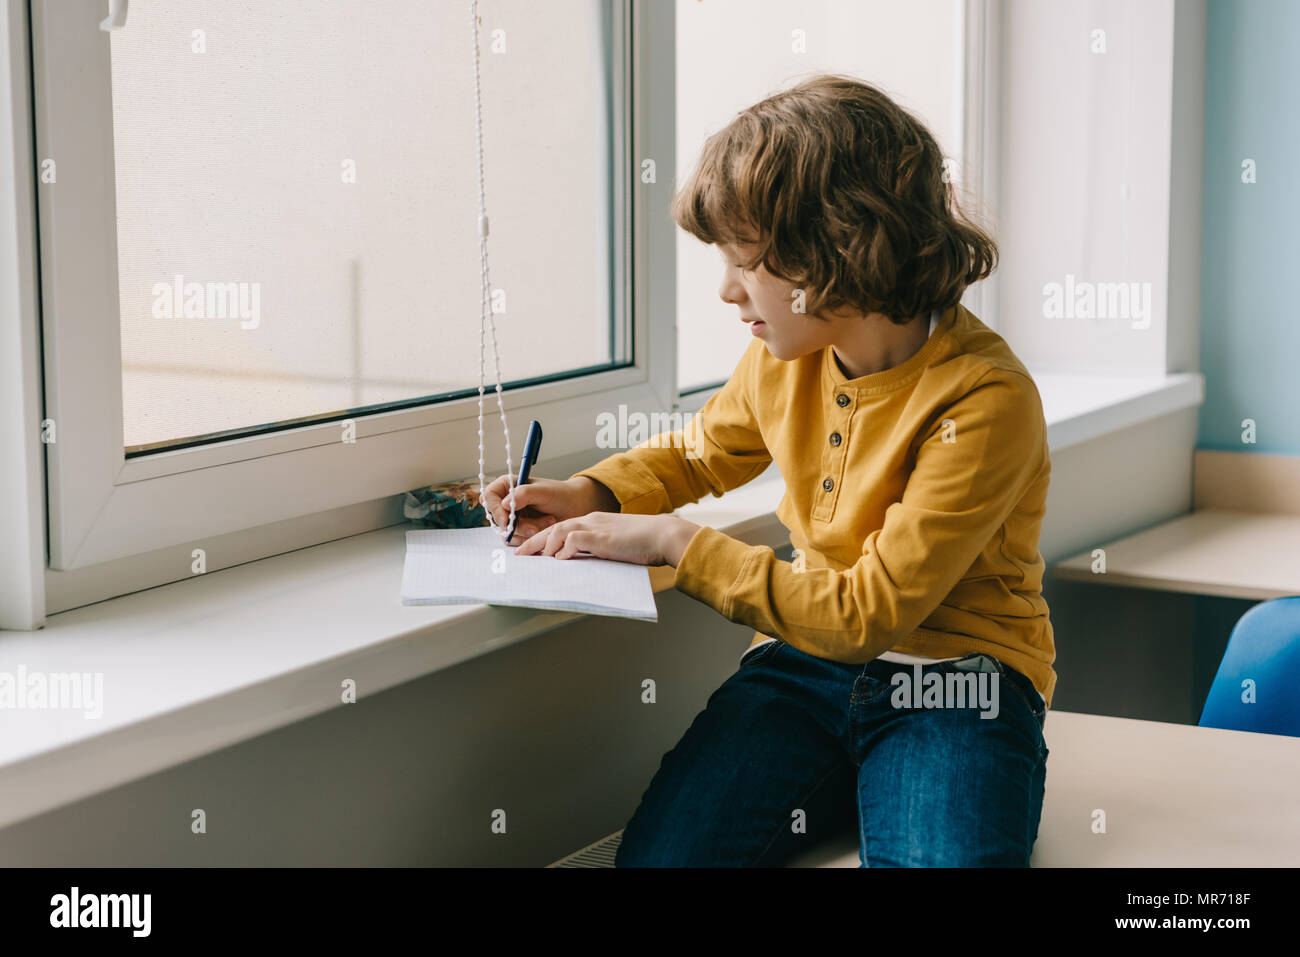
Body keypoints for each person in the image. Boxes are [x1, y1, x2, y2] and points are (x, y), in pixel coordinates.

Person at [483, 73, 1054, 867]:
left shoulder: (986, 400)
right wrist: (591, 491)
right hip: (802, 670)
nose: (725, 289)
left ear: (836, 252)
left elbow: (869, 613)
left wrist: (679, 545)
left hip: (953, 686)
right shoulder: (787, 358)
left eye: (743, 261)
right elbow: (697, 452)